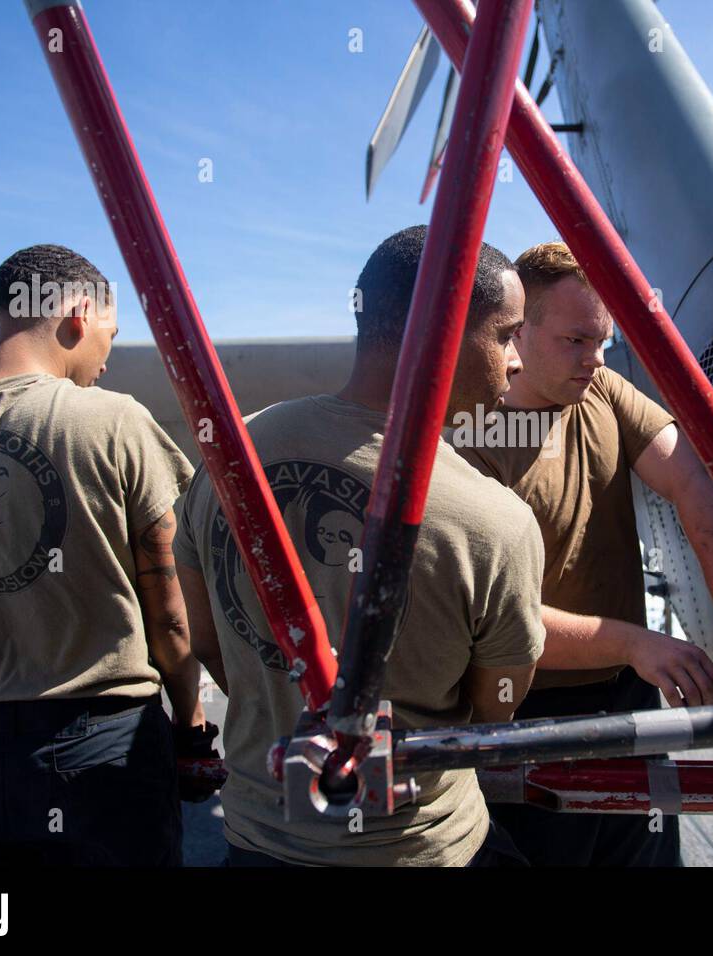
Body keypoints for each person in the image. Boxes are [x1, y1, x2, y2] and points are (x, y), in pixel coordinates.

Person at [174, 225, 545, 867]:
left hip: (257, 841)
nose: (519, 359)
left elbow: (202, 638)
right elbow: (493, 713)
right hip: (422, 847)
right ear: (445, 330)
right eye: (509, 334)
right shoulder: (496, 520)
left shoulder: (228, 458)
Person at [0, 244, 210, 865]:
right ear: (78, 314)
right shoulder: (112, 422)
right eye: (110, 333)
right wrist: (189, 724)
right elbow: (172, 619)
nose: (107, 358)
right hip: (108, 750)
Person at [457, 241, 713, 867]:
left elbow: (695, 483)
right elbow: (495, 618)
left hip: (625, 699)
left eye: (604, 342)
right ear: (518, 335)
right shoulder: (471, 438)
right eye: (577, 341)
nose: (595, 360)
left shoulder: (604, 392)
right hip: (525, 712)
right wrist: (637, 642)